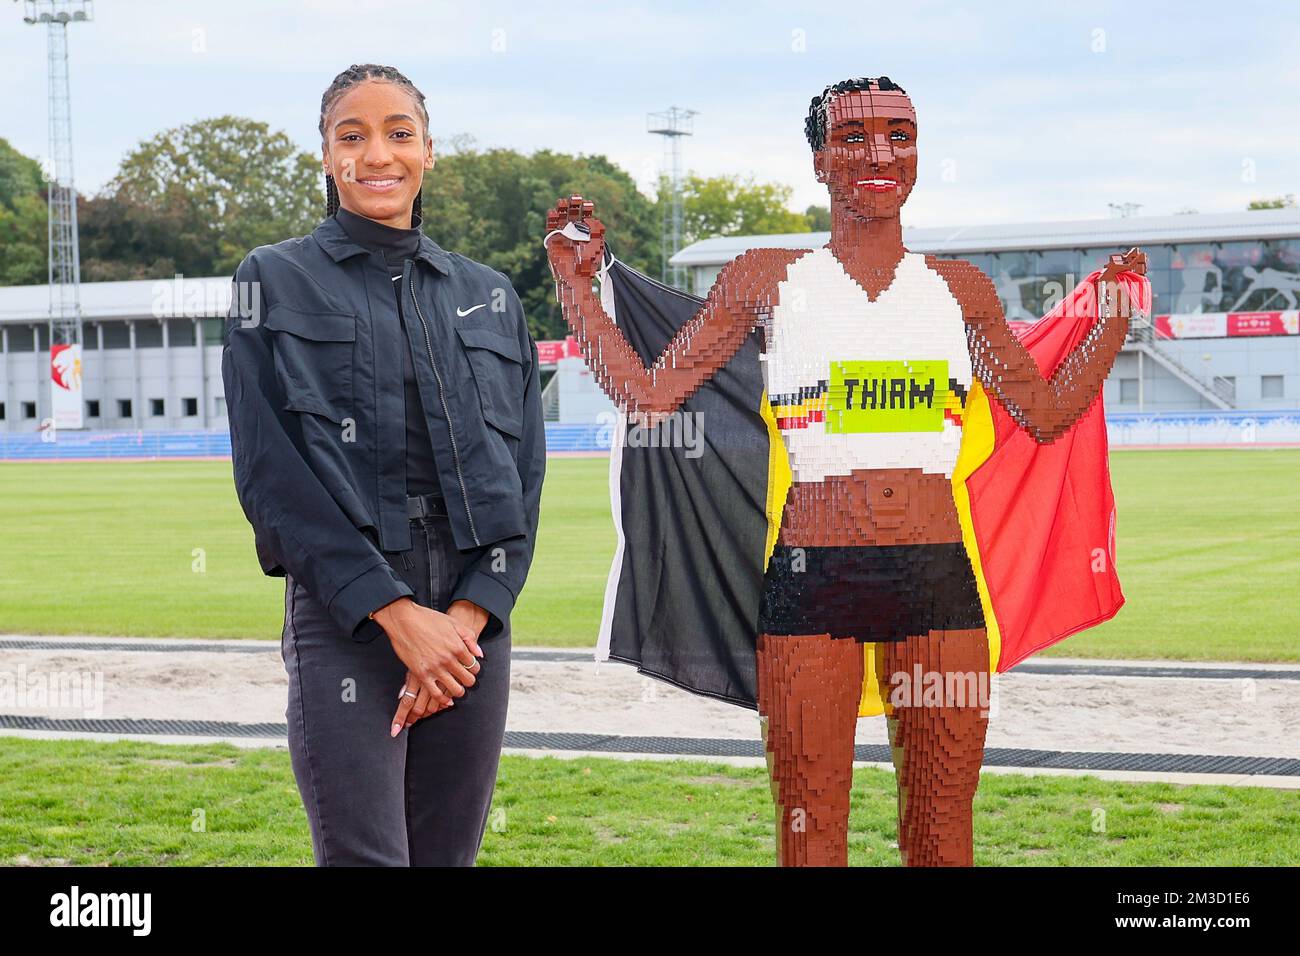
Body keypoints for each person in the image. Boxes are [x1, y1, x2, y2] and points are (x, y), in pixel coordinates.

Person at [544, 75, 1147, 866]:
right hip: (811, 580)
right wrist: (574, 286)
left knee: (940, 836)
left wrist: (1108, 319)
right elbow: (650, 398)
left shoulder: (960, 291)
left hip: (936, 582)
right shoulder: (766, 277)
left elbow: (1045, 415)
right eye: (853, 137)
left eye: (901, 134)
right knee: (810, 833)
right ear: (820, 162)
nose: (880, 153)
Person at [222, 63, 545, 866]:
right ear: (327, 155)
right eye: (353, 135)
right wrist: (399, 618)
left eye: (400, 133)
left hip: (473, 620)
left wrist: (467, 620)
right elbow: (271, 475)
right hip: (350, 613)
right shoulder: (272, 278)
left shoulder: (491, 296)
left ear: (429, 151)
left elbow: (524, 477)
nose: (378, 154)